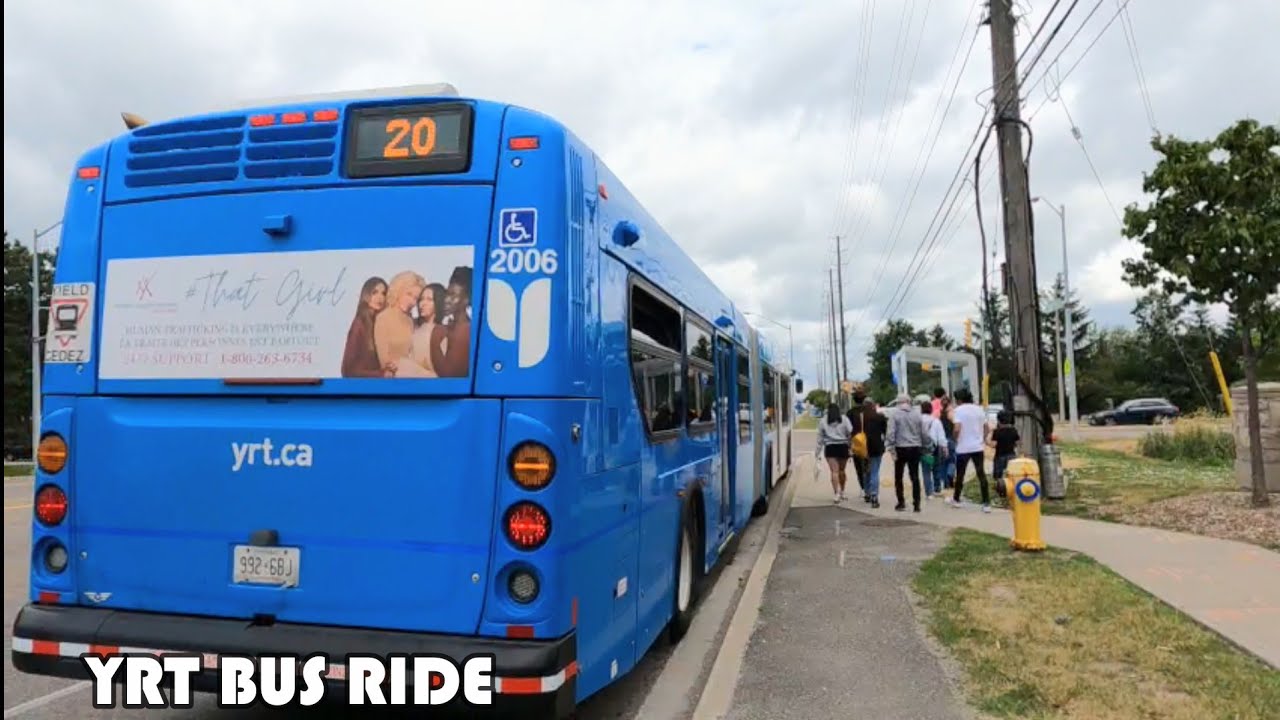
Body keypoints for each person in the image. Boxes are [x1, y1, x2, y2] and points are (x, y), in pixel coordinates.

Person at [949, 387, 992, 512]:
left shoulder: (958, 411)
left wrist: (956, 438)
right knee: (981, 474)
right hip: (977, 447)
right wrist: (982, 439)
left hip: (963, 448)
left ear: (960, 399)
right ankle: (986, 503)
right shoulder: (979, 409)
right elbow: (987, 428)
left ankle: (956, 499)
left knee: (960, 474)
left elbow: (957, 428)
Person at [886, 393, 926, 512]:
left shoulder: (894, 415)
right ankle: (917, 503)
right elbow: (924, 432)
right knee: (915, 476)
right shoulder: (917, 415)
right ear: (910, 402)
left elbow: (891, 433)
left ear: (899, 403)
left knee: (899, 476)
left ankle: (901, 502)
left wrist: (891, 447)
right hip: (915, 447)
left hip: (900, 448)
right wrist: (926, 446)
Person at [815, 403, 854, 504]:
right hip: (843, 447)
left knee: (834, 472)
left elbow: (820, 438)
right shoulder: (844, 419)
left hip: (830, 448)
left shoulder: (823, 421)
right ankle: (843, 491)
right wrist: (850, 446)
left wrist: (817, 452)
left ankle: (836, 493)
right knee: (842, 471)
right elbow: (851, 432)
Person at [859, 398, 887, 508]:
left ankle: (867, 492)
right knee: (875, 471)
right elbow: (885, 432)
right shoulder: (880, 417)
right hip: (877, 446)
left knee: (866, 470)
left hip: (863, 446)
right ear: (873, 405)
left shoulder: (861, 417)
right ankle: (874, 495)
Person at [920, 400, 948, 497]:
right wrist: (945, 447)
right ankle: (937, 488)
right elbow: (941, 437)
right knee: (936, 468)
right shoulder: (936, 421)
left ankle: (929, 492)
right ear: (931, 409)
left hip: (923, 448)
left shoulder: (918, 421)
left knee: (926, 470)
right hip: (935, 448)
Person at [989, 410, 1020, 493]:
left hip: (1000, 455)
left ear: (998, 420)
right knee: (1011, 473)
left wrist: (989, 435)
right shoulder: (1013, 430)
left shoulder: (997, 431)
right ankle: (1011, 488)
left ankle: (1000, 489)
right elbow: (1017, 443)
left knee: (998, 475)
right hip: (1011, 455)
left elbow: (993, 444)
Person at [846, 388, 869, 498]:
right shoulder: (870, 411)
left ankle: (863, 488)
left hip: (856, 442)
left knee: (859, 466)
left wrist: (849, 445)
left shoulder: (850, 413)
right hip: (869, 441)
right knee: (869, 465)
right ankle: (870, 487)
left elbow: (848, 430)